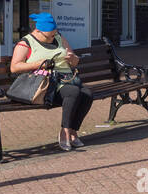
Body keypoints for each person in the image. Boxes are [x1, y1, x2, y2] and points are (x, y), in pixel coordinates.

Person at [10, 12, 94, 150]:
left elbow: (75, 60)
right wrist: (39, 64)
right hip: (46, 85)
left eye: (54, 34)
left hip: (68, 78)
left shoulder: (58, 37)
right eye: (49, 36)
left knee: (87, 94)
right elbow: (15, 67)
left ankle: (73, 131)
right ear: (38, 31)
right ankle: (64, 131)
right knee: (73, 92)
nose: (52, 39)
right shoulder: (25, 43)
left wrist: (72, 59)